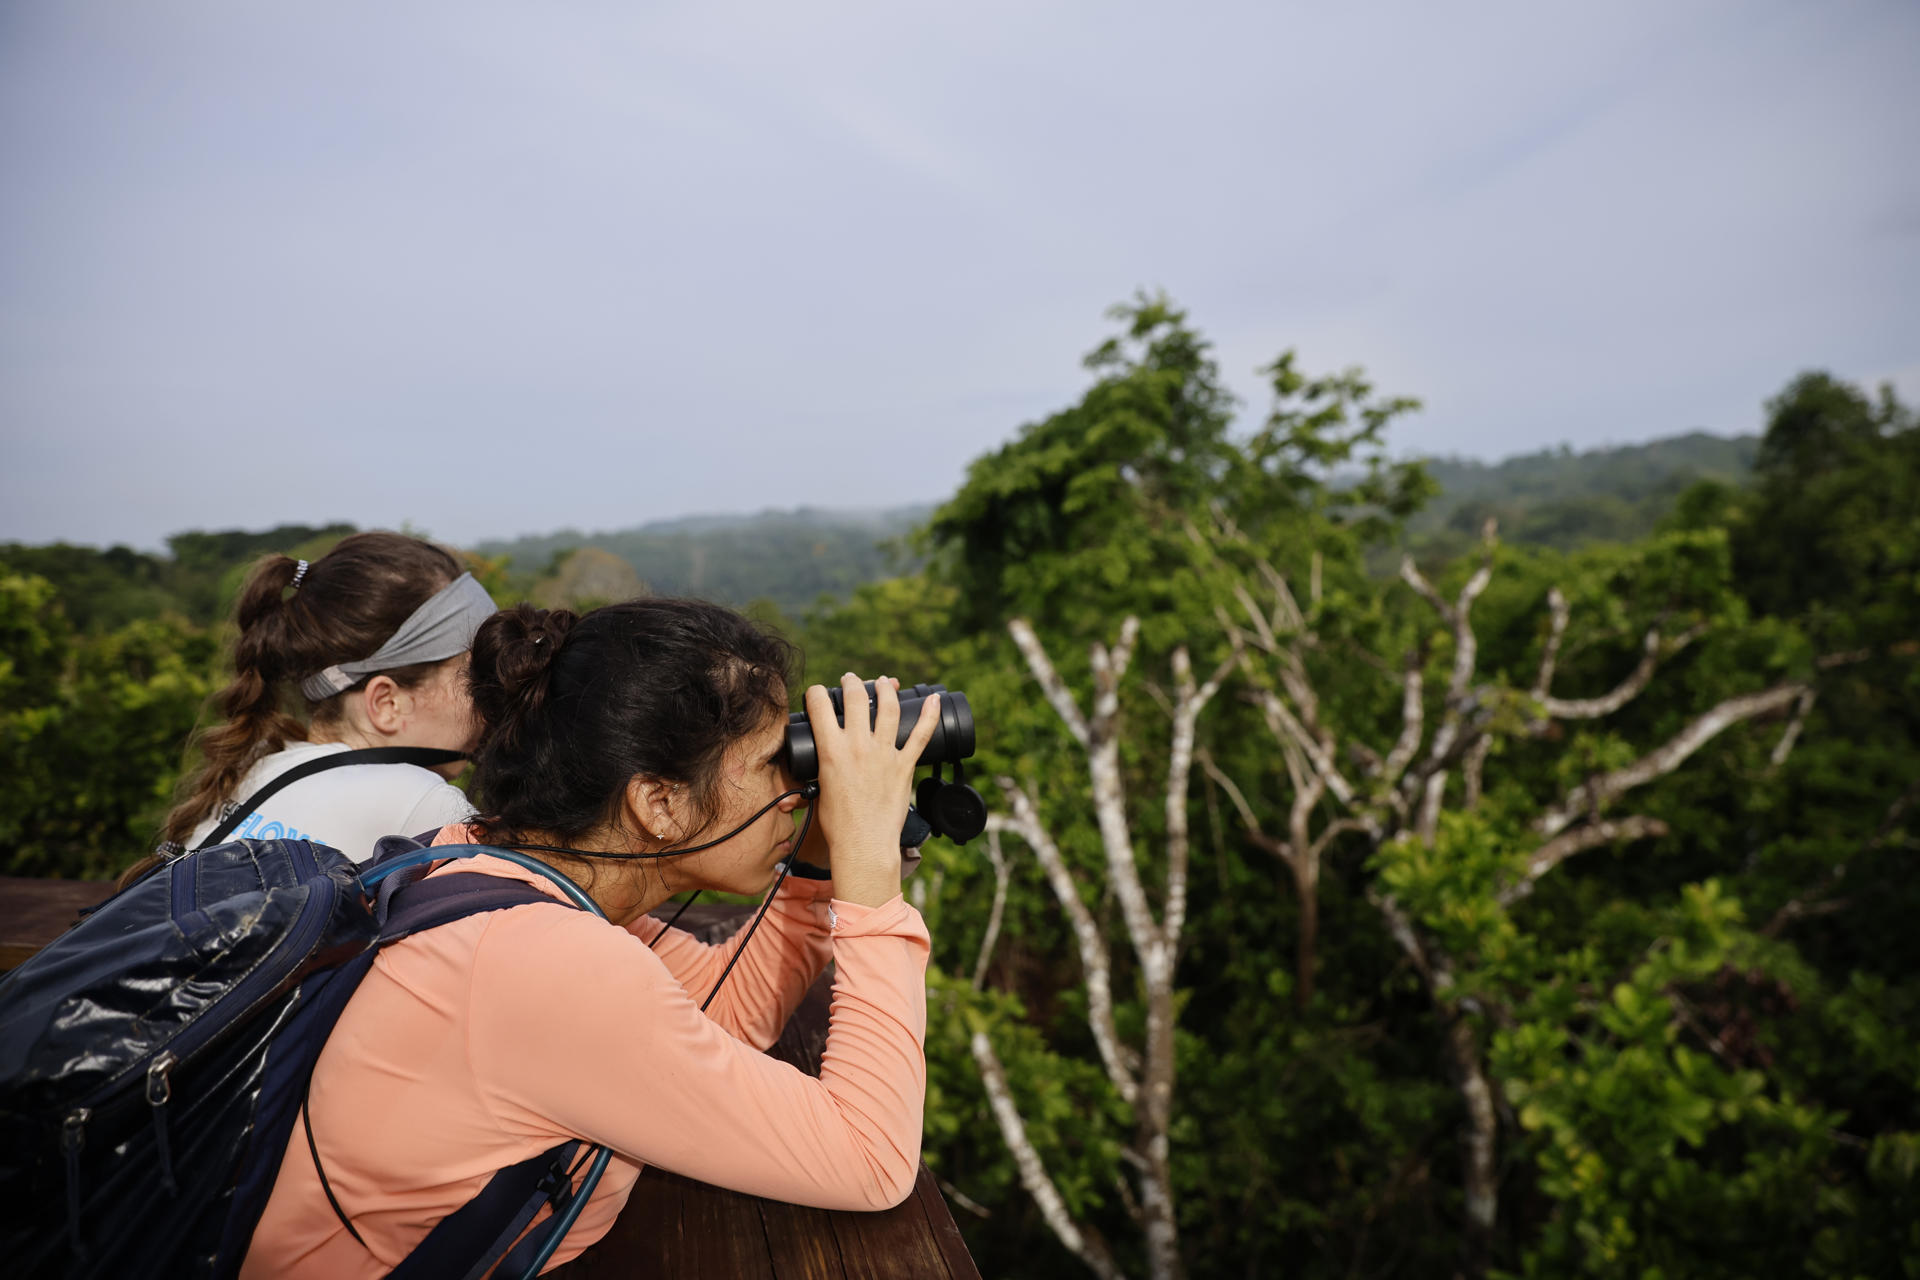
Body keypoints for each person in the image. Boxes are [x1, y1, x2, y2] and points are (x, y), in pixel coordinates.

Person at [238, 598, 937, 1277]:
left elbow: (722, 1013)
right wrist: (870, 868)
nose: (800, 787)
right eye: (772, 763)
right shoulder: (547, 963)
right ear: (659, 803)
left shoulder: (481, 858)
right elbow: (870, 1158)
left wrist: (814, 866)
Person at [122, 532, 489, 889]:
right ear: (387, 703)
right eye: (474, 675)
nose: (491, 695)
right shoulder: (423, 803)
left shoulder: (260, 766)